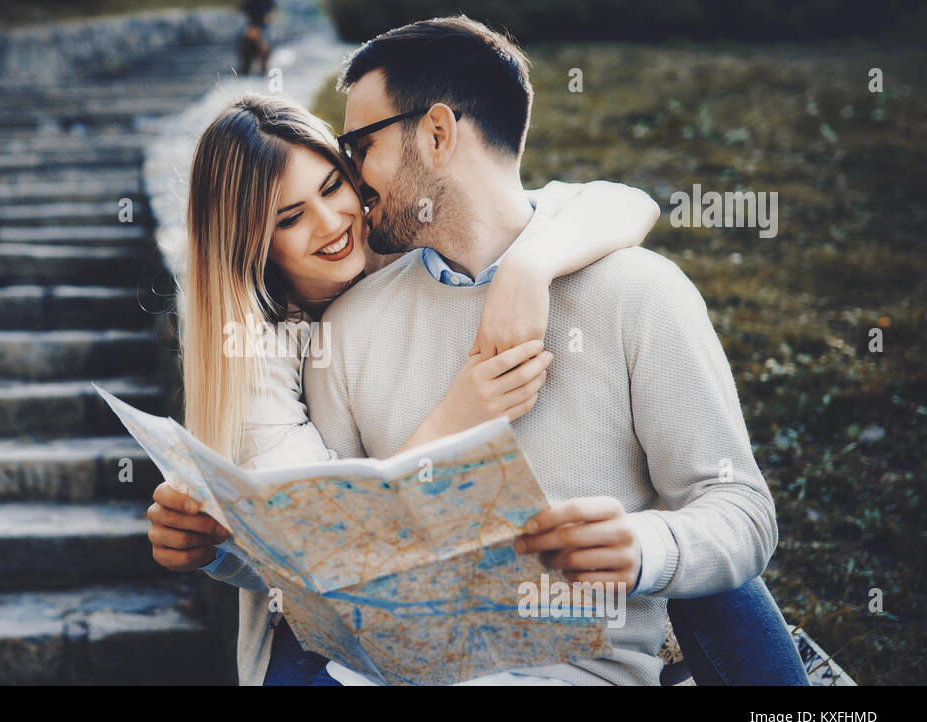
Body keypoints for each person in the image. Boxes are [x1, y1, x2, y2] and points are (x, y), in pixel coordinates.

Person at [298, 15, 801, 686]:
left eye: (358, 144)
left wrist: (643, 547)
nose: (349, 173)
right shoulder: (349, 326)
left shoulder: (640, 295)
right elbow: (325, 543)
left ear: (438, 133)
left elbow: (740, 509)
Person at [146, 88, 665, 684]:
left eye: (332, 187)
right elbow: (329, 548)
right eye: (290, 218)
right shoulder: (257, 353)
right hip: (337, 615)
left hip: (498, 572)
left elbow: (617, 202)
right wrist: (457, 418)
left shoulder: (402, 239)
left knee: (691, 520)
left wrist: (530, 267)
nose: (331, 223)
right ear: (250, 246)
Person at [237, 0, 274, 76]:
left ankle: (262, 69)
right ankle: (246, 69)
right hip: (250, 24)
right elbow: (242, 9)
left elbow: (269, 12)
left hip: (261, 25)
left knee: (265, 46)